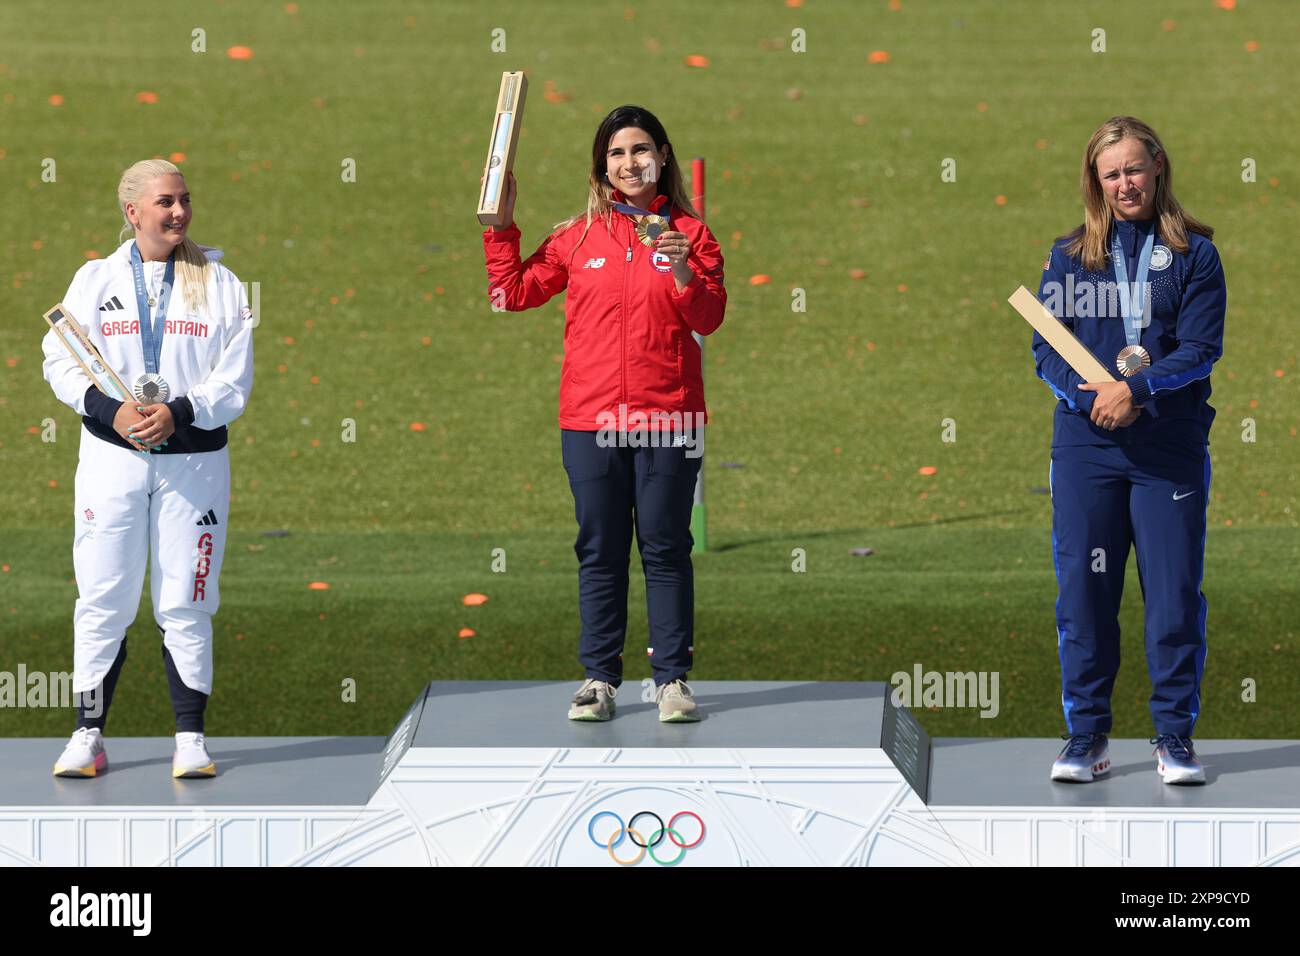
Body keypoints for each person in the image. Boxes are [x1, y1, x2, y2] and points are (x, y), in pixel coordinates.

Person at [482, 105, 726, 723]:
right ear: (602, 167)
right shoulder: (579, 236)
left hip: (669, 418)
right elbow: (510, 294)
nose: (630, 163)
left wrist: (678, 270)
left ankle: (671, 683)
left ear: (664, 156)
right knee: (601, 549)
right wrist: (502, 229)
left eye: (641, 150)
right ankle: (599, 680)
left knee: (667, 547)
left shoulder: (691, 237)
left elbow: (710, 318)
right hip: (590, 421)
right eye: (616, 154)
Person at [41, 159, 254, 778]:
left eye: (185, 199)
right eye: (165, 202)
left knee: (187, 599)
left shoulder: (221, 283)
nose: (180, 212)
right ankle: (88, 735)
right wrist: (111, 411)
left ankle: (190, 739)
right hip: (112, 461)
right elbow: (61, 361)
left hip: (193, 464)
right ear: (132, 211)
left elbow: (235, 382)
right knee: (102, 597)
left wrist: (180, 410)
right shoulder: (95, 279)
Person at [1032, 117, 1226, 785]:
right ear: (1096, 182)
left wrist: (1137, 390)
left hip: (1167, 448)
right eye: (1110, 173)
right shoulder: (1069, 256)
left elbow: (1201, 352)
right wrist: (1095, 400)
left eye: (1134, 169)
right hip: (1088, 446)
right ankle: (1087, 737)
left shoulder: (1197, 256)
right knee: (1085, 596)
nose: (1124, 184)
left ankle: (1174, 739)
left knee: (1172, 597)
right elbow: (1045, 348)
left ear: (1158, 168)